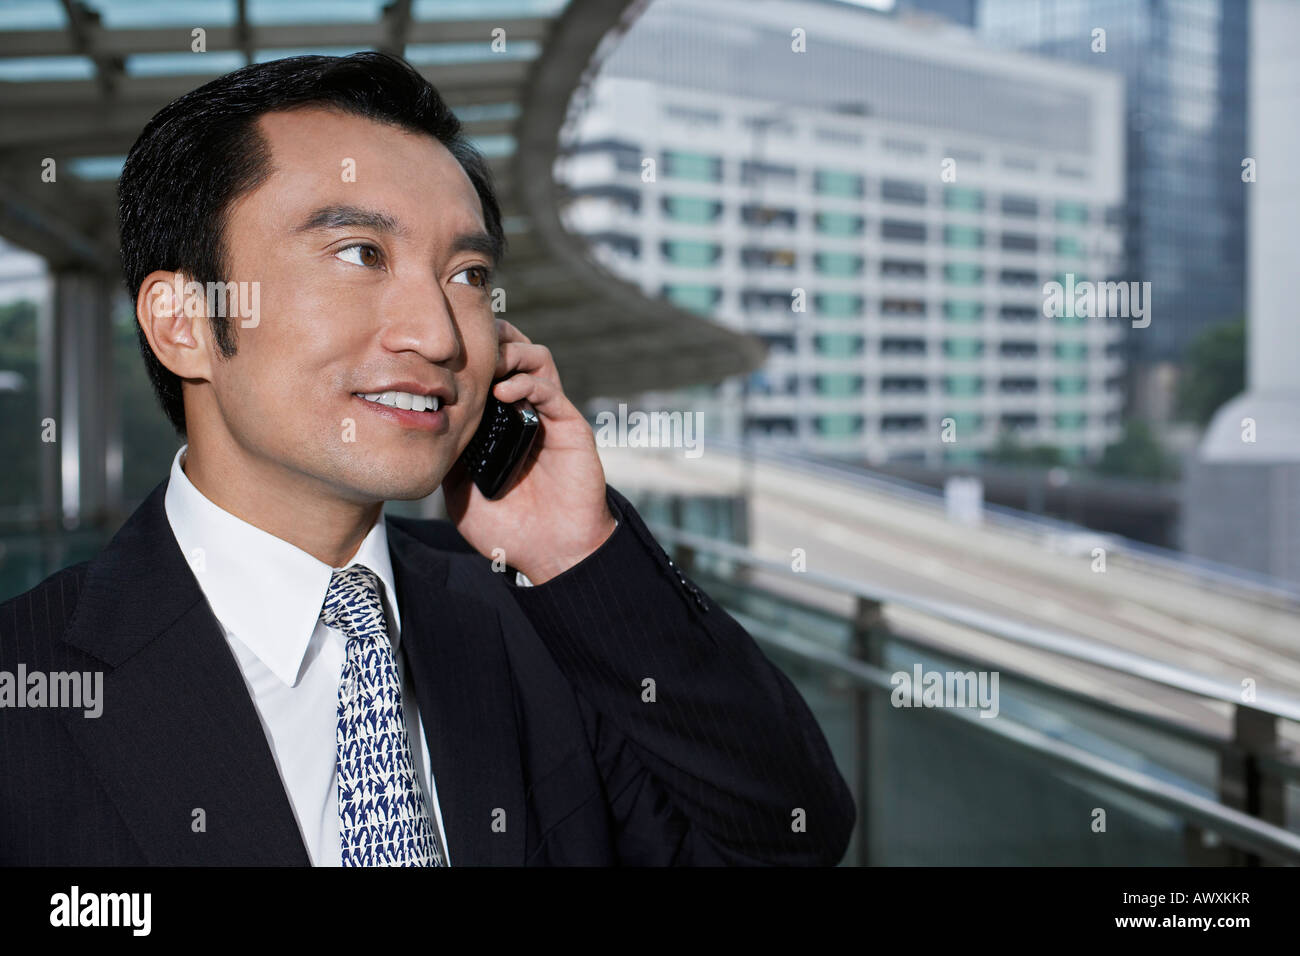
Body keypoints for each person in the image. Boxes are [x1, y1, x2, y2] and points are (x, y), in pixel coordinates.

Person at [0, 52, 855, 866]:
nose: (440, 335)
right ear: (184, 321)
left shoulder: (542, 621)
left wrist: (576, 552)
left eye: (469, 274)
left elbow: (788, 834)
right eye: (360, 254)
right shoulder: (29, 687)